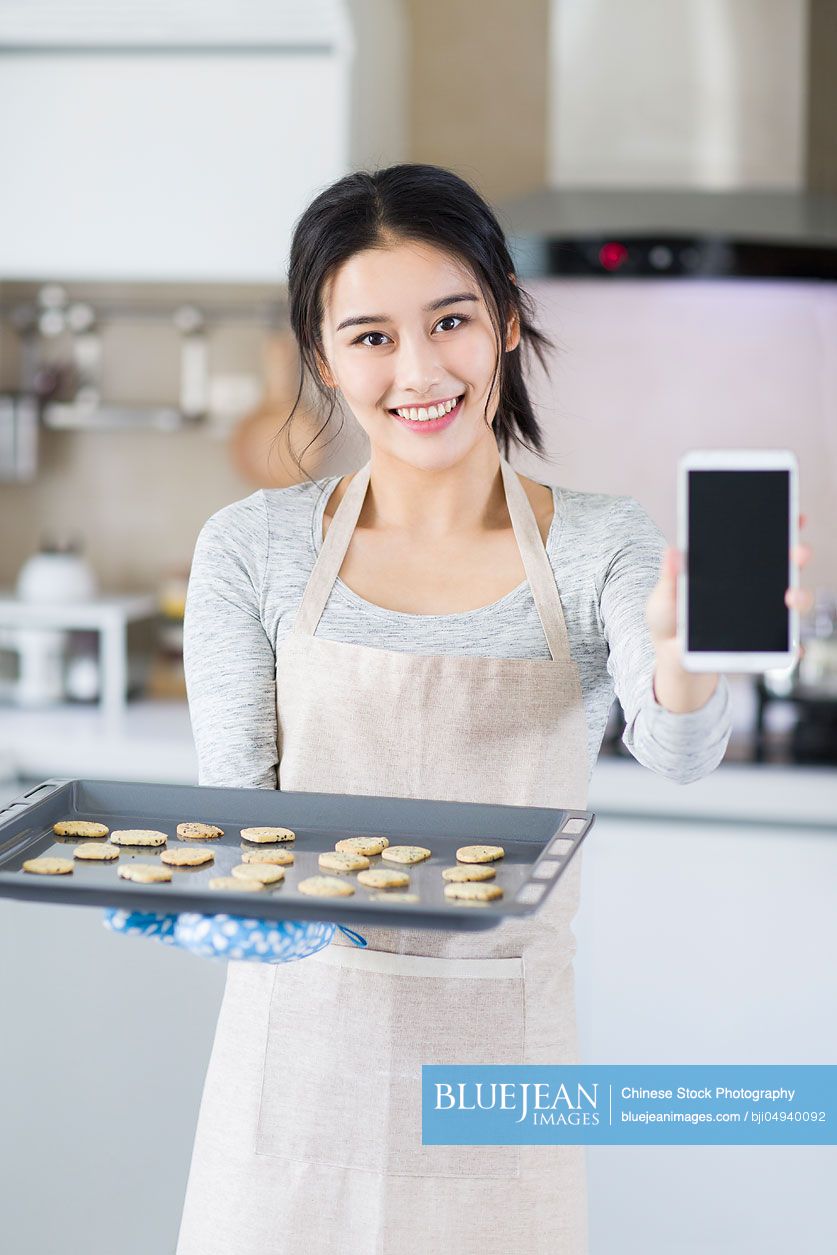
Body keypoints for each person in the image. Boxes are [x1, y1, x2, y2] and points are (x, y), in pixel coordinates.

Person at [155, 163, 810, 1254]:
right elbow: (241, 818)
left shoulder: (604, 544)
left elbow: (679, 750)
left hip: (497, 1077)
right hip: (297, 1073)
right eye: (370, 337)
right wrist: (195, 885)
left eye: (450, 320)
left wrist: (688, 653)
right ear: (321, 359)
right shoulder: (251, 549)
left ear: (506, 318)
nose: (419, 371)